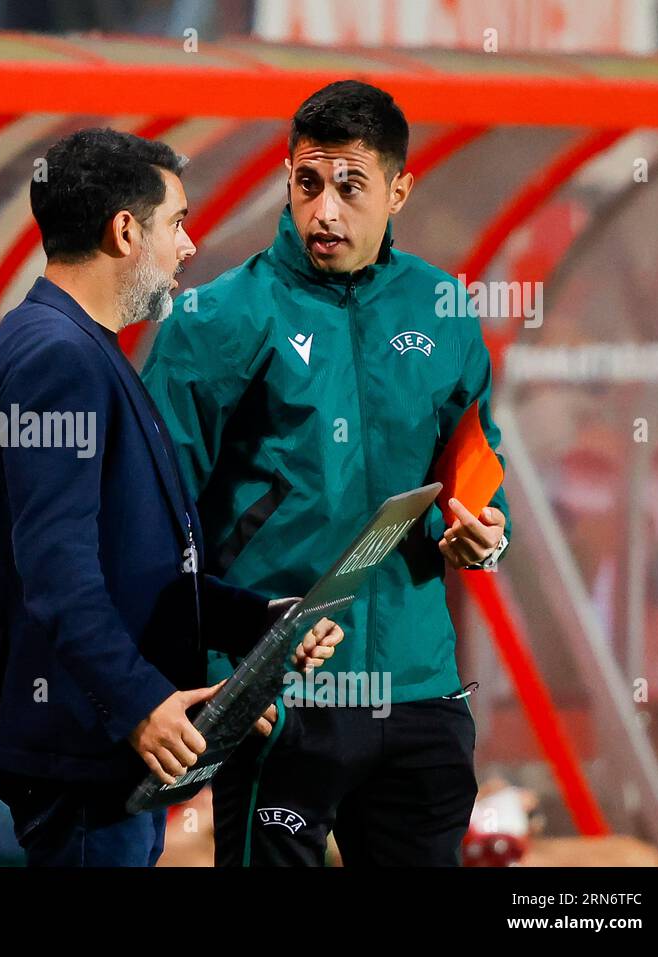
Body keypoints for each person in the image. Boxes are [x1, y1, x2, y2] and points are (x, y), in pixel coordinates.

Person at [142, 80, 512, 867]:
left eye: (350, 186)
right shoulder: (216, 321)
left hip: (421, 691)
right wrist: (226, 679)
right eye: (307, 183)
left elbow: (475, 453)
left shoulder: (442, 304)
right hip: (286, 697)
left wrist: (482, 524)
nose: (325, 212)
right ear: (287, 177)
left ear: (400, 189)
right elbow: (157, 514)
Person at [0, 128, 343, 867]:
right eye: (178, 223)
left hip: (103, 757)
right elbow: (58, 572)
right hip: (82, 753)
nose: (188, 246)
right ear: (125, 230)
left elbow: (139, 564)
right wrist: (137, 703)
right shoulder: (57, 356)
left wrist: (262, 618)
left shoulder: (75, 345)